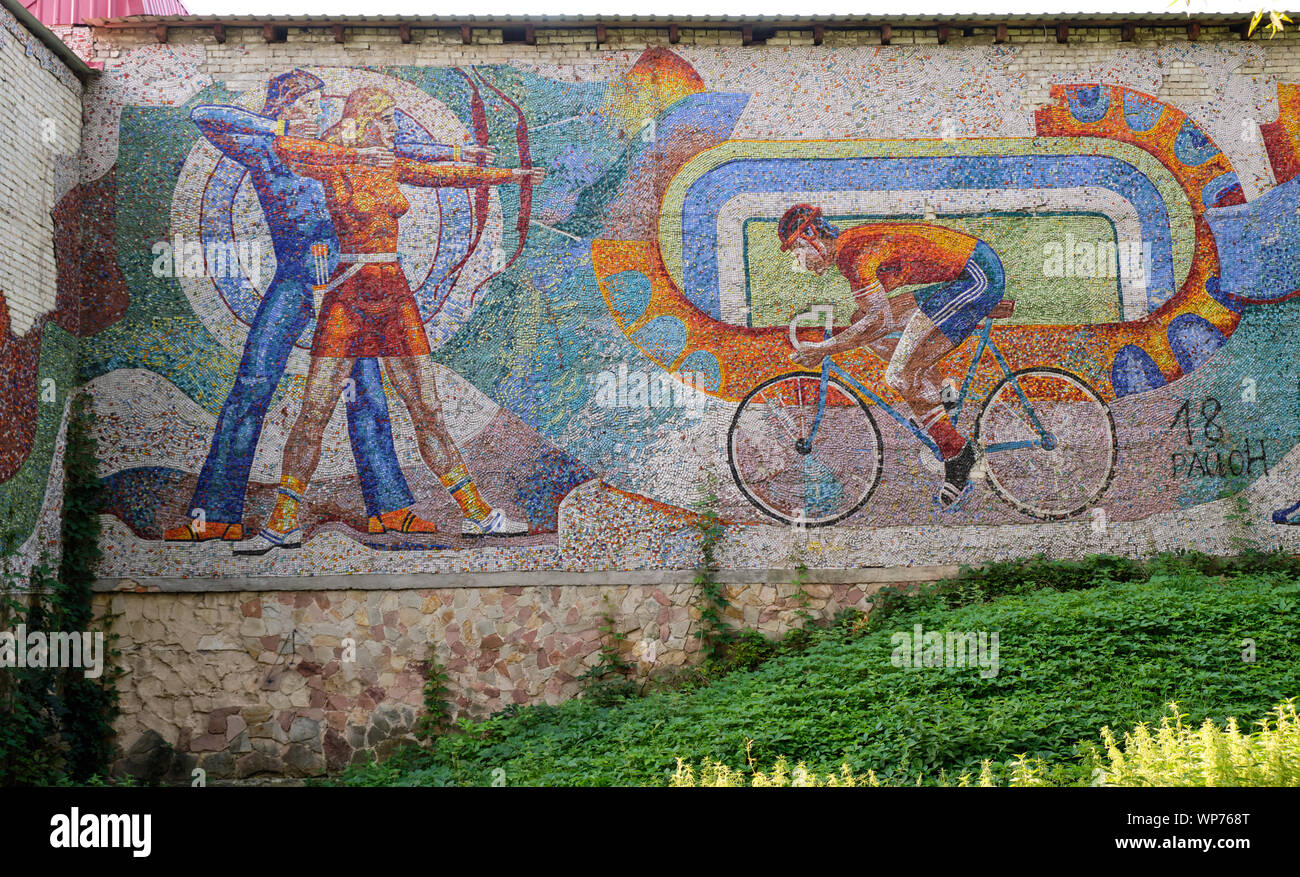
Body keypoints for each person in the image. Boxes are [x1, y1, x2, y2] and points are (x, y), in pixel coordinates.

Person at [167, 70, 491, 543]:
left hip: (348, 283)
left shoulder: (336, 147)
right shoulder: (266, 147)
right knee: (253, 383)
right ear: (280, 107)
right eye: (302, 103)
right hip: (295, 280)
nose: (314, 110)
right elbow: (204, 115)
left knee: (367, 393)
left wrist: (459, 154)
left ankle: (388, 508)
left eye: (317, 102)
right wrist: (275, 127)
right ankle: (218, 513)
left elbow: (402, 155)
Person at [237, 86, 546, 555]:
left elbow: (444, 175)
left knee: (427, 411)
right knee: (314, 411)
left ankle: (478, 515)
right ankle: (282, 521)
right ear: (361, 121)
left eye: (390, 121)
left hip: (394, 296)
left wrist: (514, 175)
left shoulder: (386, 163)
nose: (390, 130)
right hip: (350, 294)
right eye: (382, 120)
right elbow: (286, 147)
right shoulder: (335, 160)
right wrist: (350, 140)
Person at [778, 204, 1013, 510]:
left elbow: (880, 322)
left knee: (898, 375)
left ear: (812, 237)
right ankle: (938, 390)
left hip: (977, 278)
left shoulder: (855, 255)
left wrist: (824, 349)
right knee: (860, 323)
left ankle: (958, 454)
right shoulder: (850, 249)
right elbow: (872, 318)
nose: (798, 262)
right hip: (966, 274)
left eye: (797, 251)